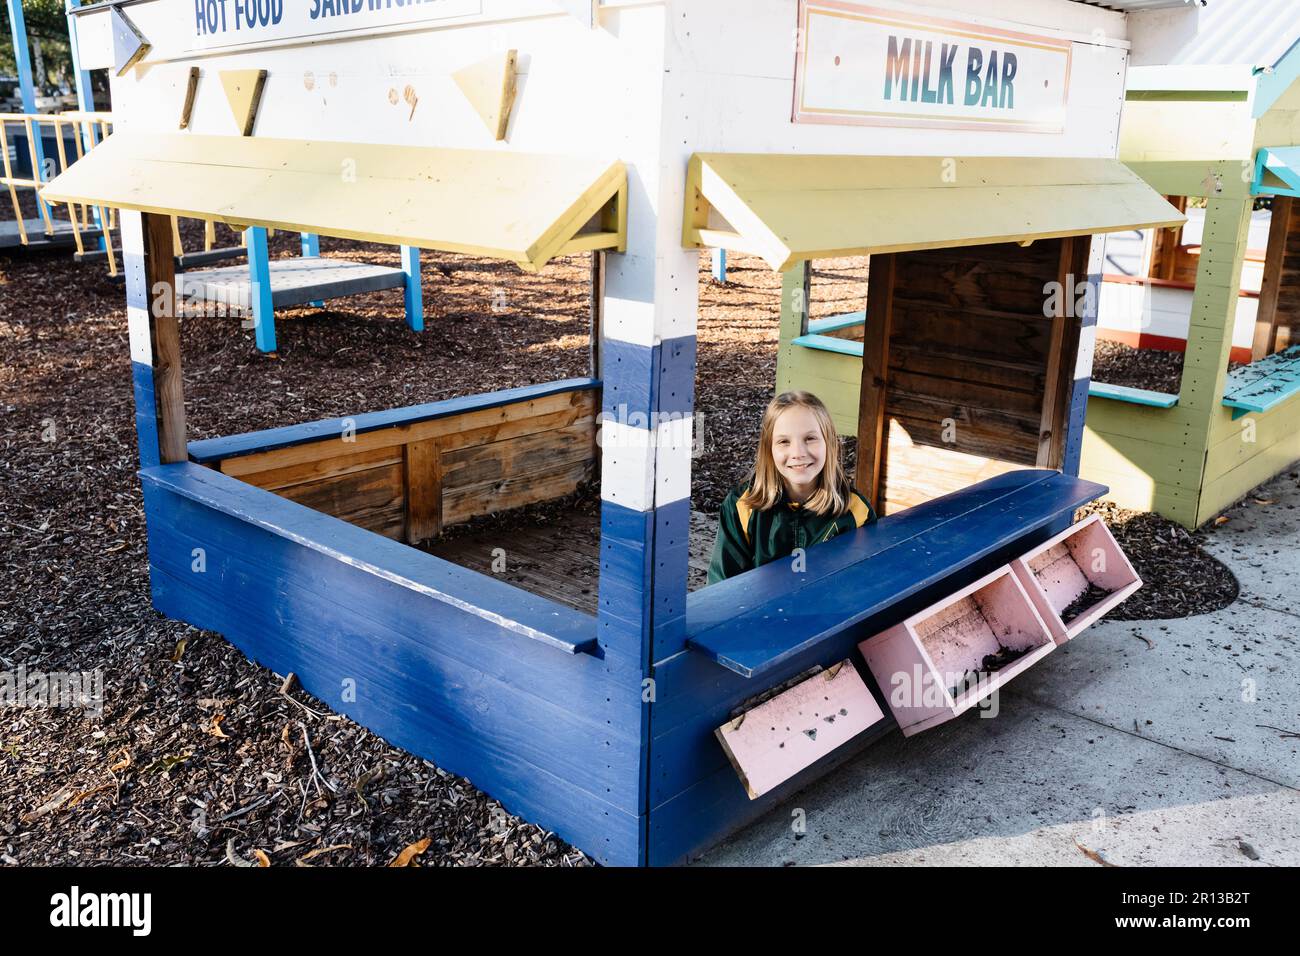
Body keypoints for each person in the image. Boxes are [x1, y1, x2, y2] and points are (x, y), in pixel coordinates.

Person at [706, 390, 876, 585]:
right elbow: (721, 590)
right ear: (769, 449)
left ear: (829, 443)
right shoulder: (742, 506)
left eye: (810, 438)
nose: (798, 453)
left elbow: (863, 585)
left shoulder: (855, 512)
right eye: (784, 442)